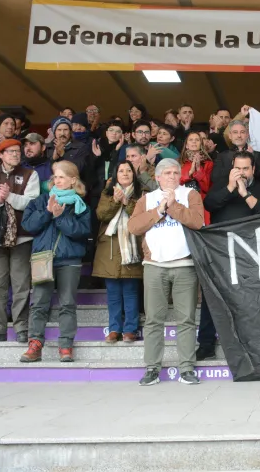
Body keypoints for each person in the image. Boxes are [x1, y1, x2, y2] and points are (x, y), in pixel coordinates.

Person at [129, 159, 205, 385]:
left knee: (186, 320)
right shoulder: (147, 199)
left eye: (175, 172)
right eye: (167, 173)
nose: (172, 176)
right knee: (153, 320)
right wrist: (160, 208)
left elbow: (198, 222)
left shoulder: (190, 195)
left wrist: (173, 205)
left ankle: (187, 368)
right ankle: (152, 368)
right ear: (158, 177)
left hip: (184, 265)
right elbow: (134, 227)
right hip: (154, 266)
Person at [200, 152, 260, 361]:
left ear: (253, 170)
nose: (241, 173)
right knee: (212, 298)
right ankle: (205, 344)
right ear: (232, 168)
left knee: (252, 300)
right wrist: (231, 188)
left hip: (252, 255)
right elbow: (209, 205)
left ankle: (254, 347)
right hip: (222, 253)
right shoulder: (222, 185)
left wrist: (244, 193)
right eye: (238, 168)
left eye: (246, 169)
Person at [20, 161, 91, 363]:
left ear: (72, 180)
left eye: (61, 177)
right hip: (43, 258)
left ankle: (66, 345)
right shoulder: (41, 201)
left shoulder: (81, 205)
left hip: (70, 260)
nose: (57, 180)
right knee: (39, 302)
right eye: (55, 177)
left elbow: (82, 232)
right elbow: (29, 225)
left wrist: (60, 218)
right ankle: (35, 344)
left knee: (67, 303)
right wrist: (48, 213)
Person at [0, 139, 41, 345]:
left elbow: (32, 202)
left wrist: (9, 196)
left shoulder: (31, 174)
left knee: (21, 284)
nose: (15, 154)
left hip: (22, 236)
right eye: (10, 151)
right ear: (0, 155)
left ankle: (22, 327)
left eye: (17, 151)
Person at [92, 161, 143, 344]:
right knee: (113, 293)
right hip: (110, 249)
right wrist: (115, 201)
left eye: (129, 170)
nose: (125, 173)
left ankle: (130, 329)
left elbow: (142, 216)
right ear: (115, 175)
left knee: (130, 291)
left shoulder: (141, 193)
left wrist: (126, 202)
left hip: (132, 248)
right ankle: (114, 329)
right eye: (121, 171)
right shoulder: (107, 193)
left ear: (133, 174)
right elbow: (101, 215)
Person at [212, 119, 260, 187]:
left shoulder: (257, 155)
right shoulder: (222, 156)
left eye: (242, 132)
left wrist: (251, 158)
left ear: (247, 135)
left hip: (253, 193)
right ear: (230, 135)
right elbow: (215, 178)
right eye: (235, 132)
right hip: (230, 194)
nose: (239, 135)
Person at [179, 131, 214, 224]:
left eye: (197, 140)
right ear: (186, 145)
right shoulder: (179, 162)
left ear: (201, 144)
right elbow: (175, 183)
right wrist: (190, 173)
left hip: (201, 203)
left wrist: (198, 169)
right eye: (191, 140)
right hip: (182, 202)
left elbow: (207, 188)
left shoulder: (209, 164)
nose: (194, 142)